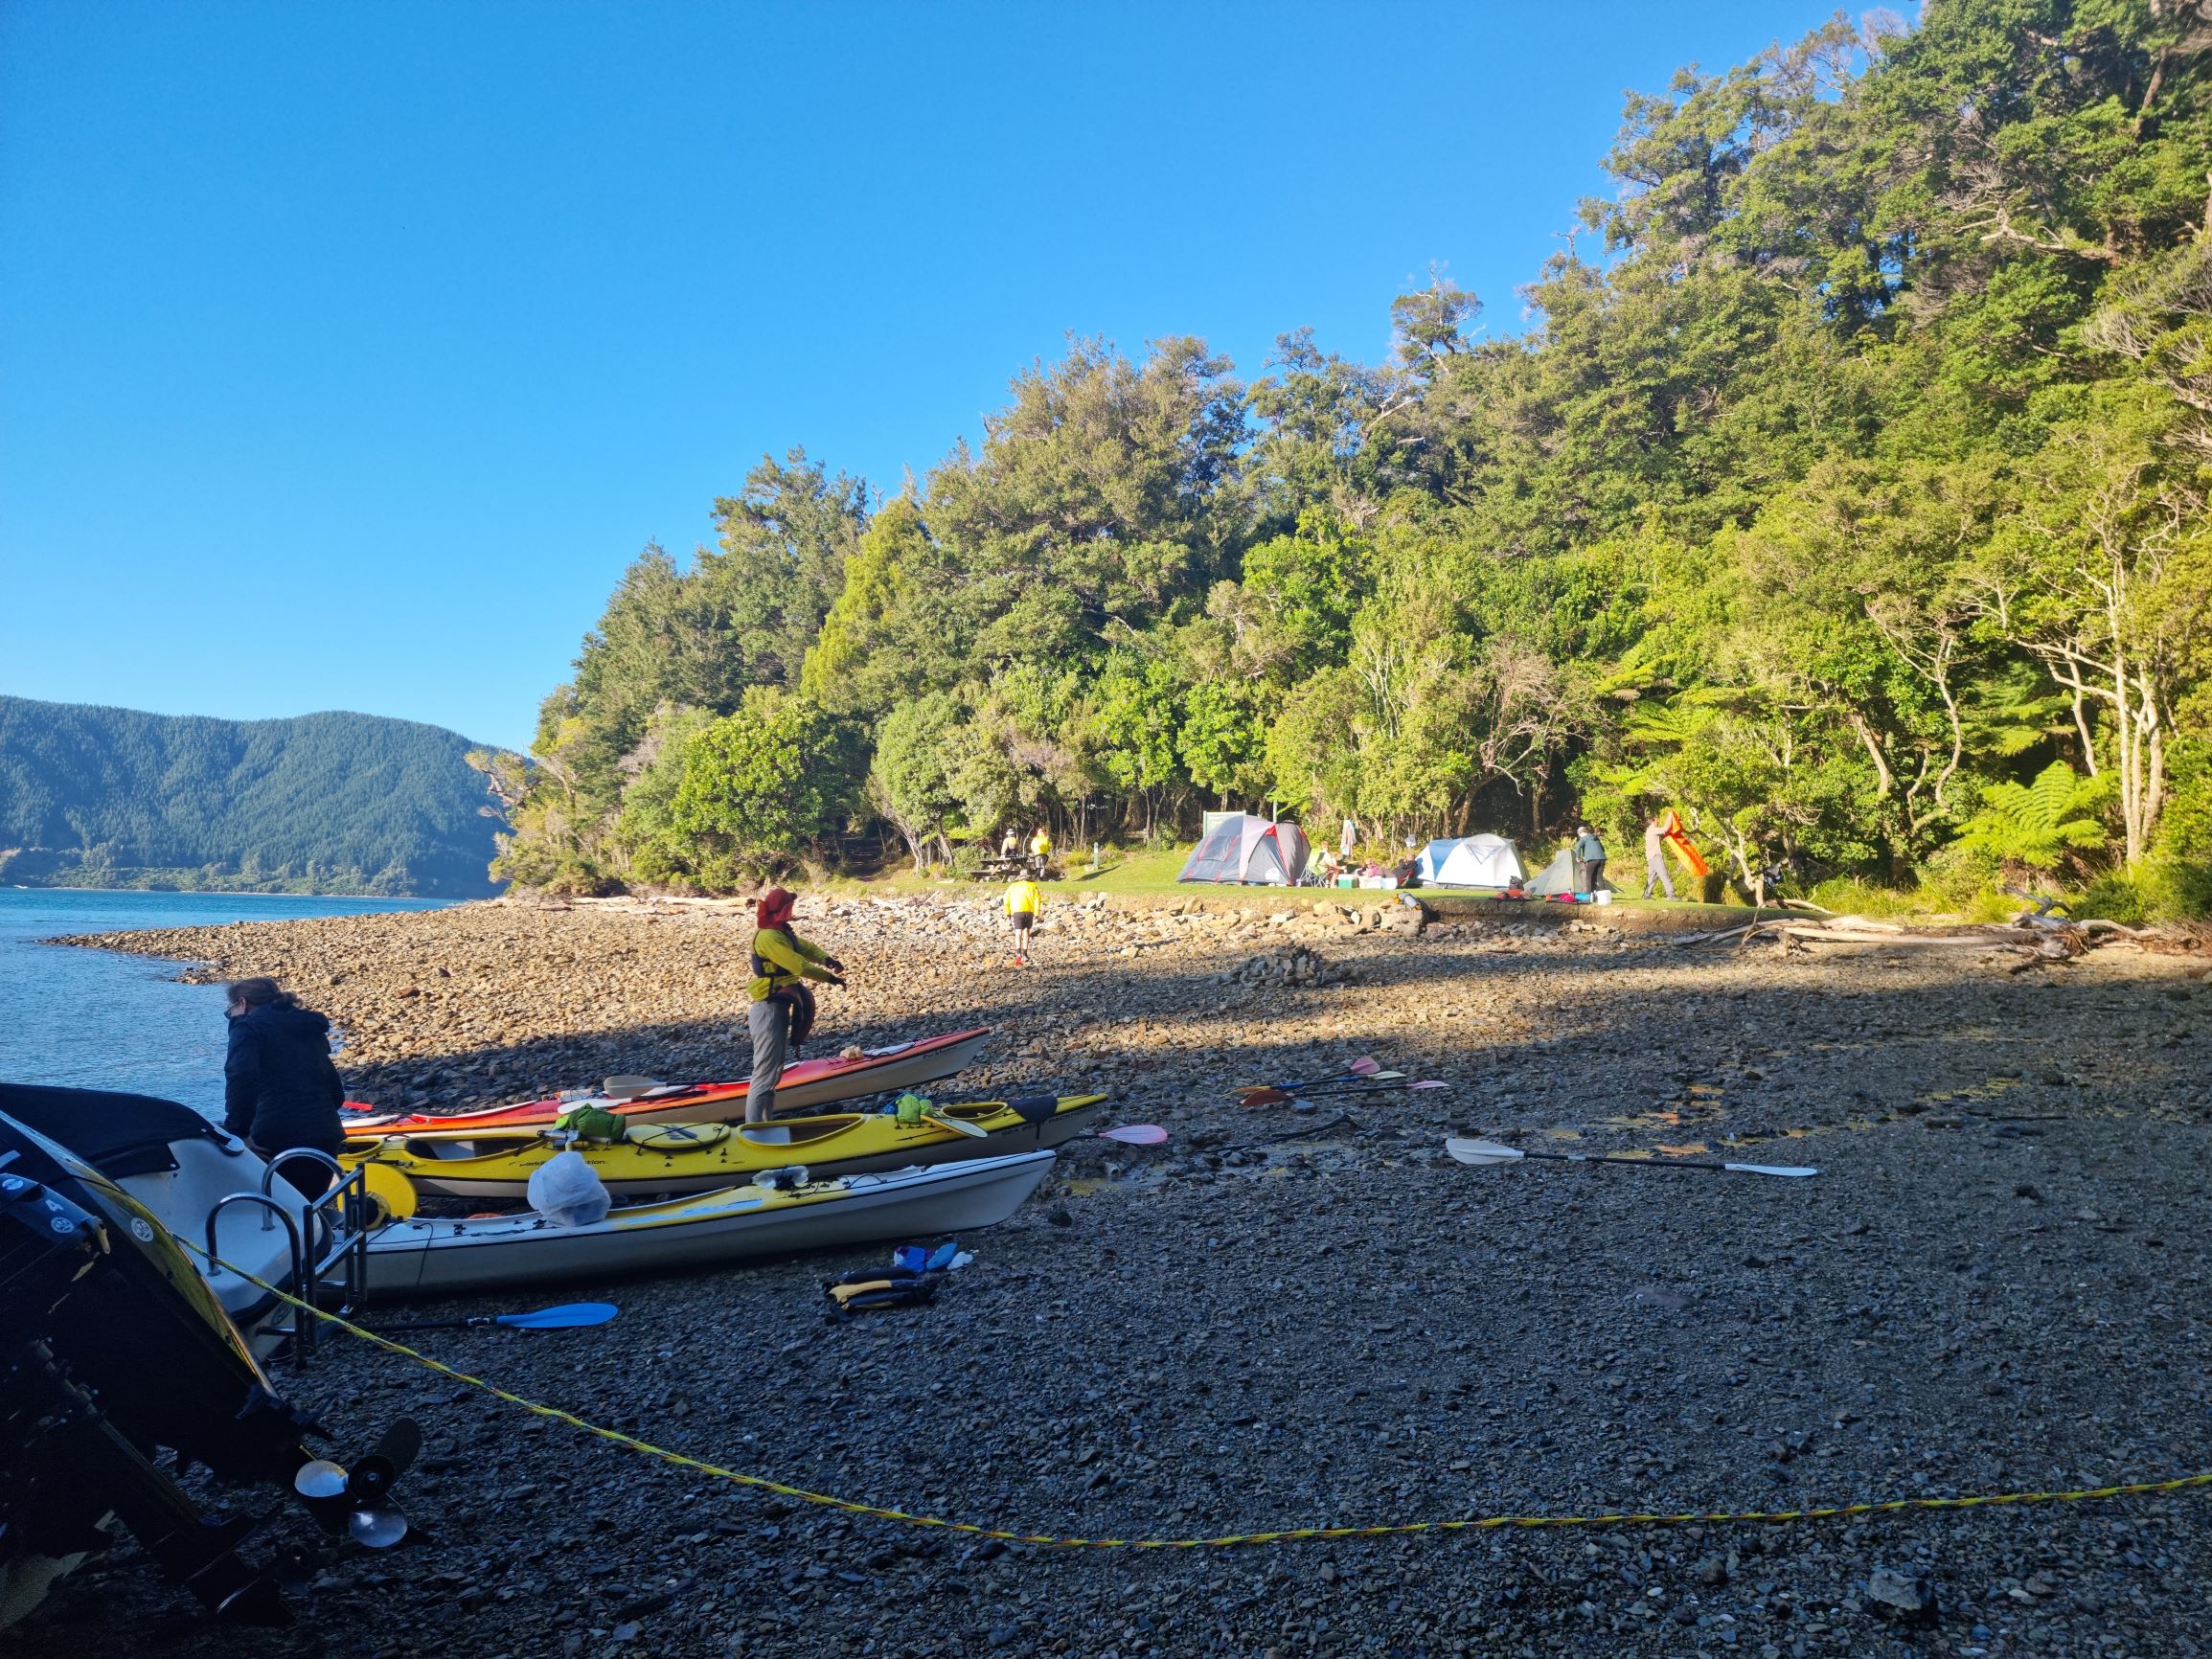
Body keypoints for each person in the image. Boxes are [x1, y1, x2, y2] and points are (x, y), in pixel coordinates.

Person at [222, 977, 345, 1197]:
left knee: (276, 1208)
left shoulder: (248, 1028)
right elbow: (330, 1080)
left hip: (276, 1133)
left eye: (229, 1011)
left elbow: (241, 1075)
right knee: (310, 1205)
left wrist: (238, 1132)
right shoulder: (306, 1025)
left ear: (243, 1003)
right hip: (325, 1129)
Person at [746, 887, 844, 1123]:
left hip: (777, 1008)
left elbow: (805, 948)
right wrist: (830, 978)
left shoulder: (780, 932)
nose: (792, 910)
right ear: (782, 910)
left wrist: (826, 959)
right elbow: (798, 965)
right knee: (764, 1076)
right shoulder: (768, 937)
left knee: (773, 1074)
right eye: (789, 906)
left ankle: (764, 1124)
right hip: (767, 1009)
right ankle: (752, 1130)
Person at [1003, 874, 1042, 966]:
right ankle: (1025, 954)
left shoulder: (1012, 886)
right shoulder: (1033, 886)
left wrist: (1008, 913)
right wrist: (1036, 914)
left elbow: (1006, 900)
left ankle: (1018, 953)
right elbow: (1037, 900)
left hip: (1017, 911)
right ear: (1028, 879)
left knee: (1018, 932)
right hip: (1029, 912)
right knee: (1026, 932)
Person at [1642, 812, 1677, 901]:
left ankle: (1646, 895)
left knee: (1652, 877)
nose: (1658, 821)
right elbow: (1665, 828)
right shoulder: (1653, 829)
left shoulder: (1649, 831)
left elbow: (1663, 834)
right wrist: (1670, 817)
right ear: (1653, 821)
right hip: (1655, 856)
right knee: (1664, 875)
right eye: (1657, 820)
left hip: (1650, 857)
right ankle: (1671, 895)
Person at [1573, 823, 1608, 896]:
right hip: (1602, 859)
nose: (1579, 836)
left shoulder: (1583, 838)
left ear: (1581, 832)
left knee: (1588, 878)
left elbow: (1578, 848)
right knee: (1599, 878)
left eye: (1579, 834)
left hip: (1592, 860)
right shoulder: (1595, 838)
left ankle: (1589, 896)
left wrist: (1577, 857)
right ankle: (1604, 897)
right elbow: (1603, 849)